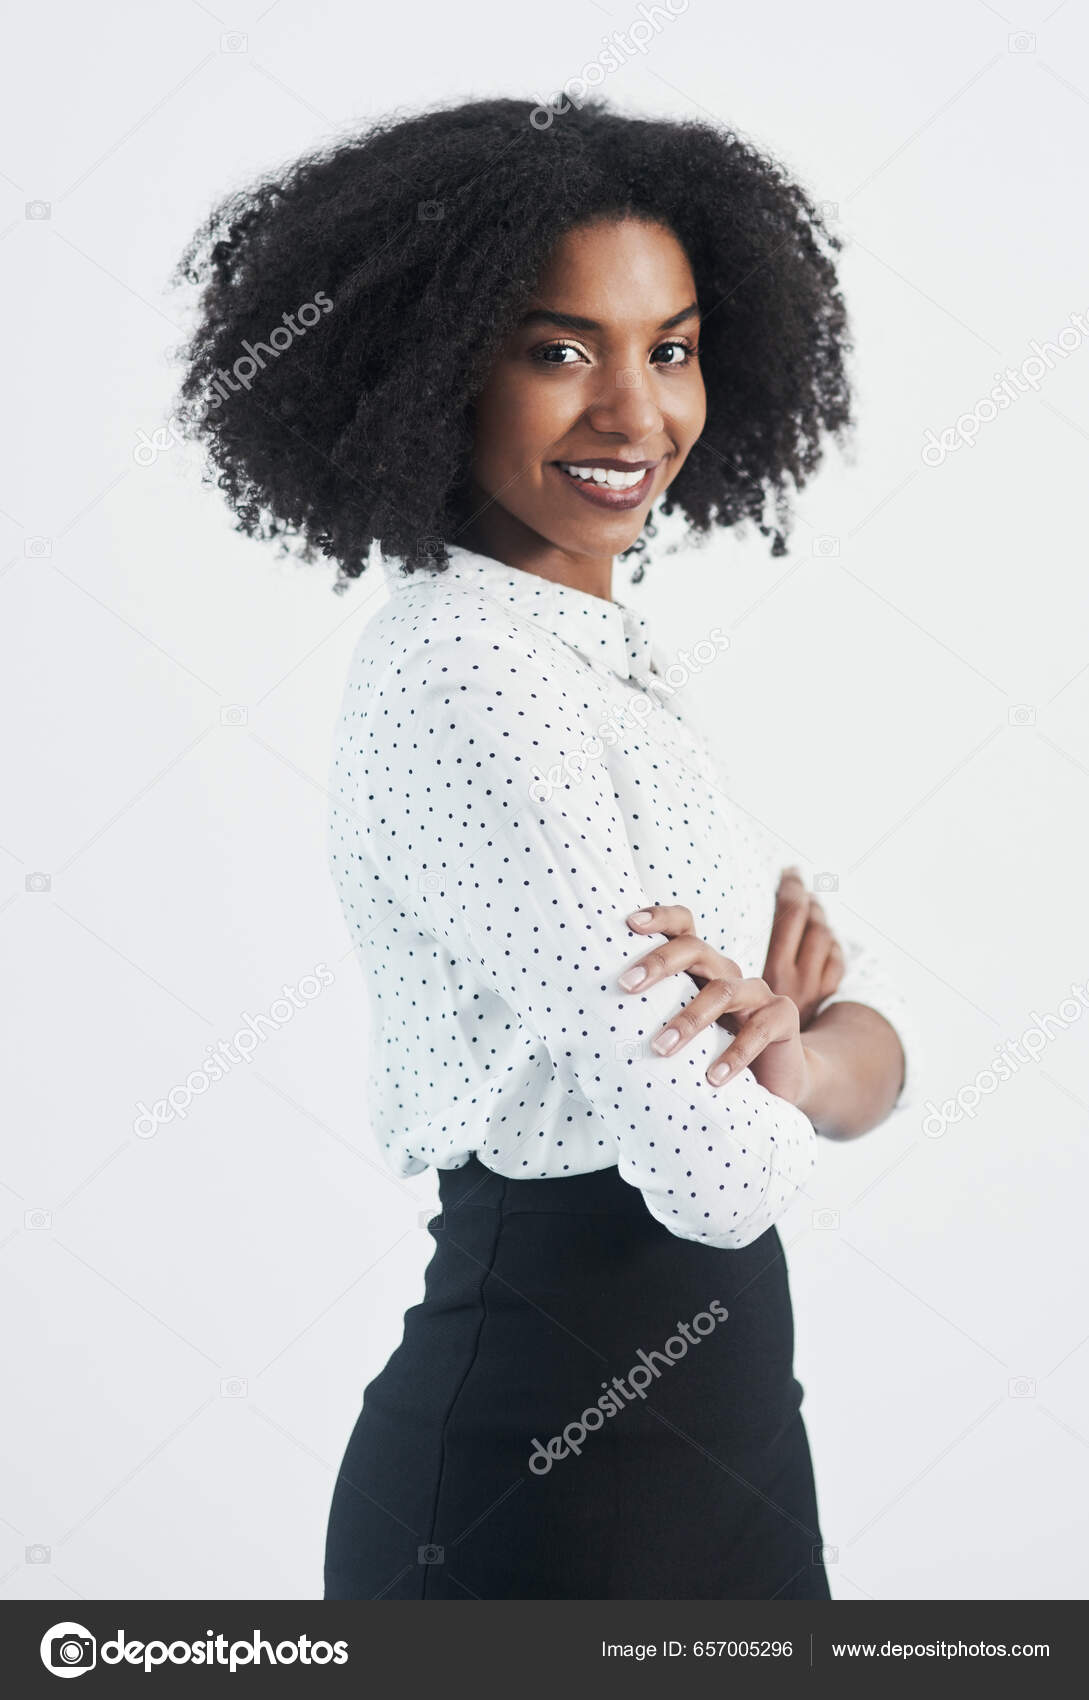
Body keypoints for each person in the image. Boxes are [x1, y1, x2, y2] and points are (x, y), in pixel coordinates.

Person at [174, 95, 915, 1601]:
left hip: (719, 1456)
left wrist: (812, 1055)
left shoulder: (586, 655)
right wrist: (810, 1064)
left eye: (671, 347)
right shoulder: (470, 683)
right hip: (549, 1499)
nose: (635, 414)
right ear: (433, 362)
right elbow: (716, 1169)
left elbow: (835, 1068)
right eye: (557, 348)